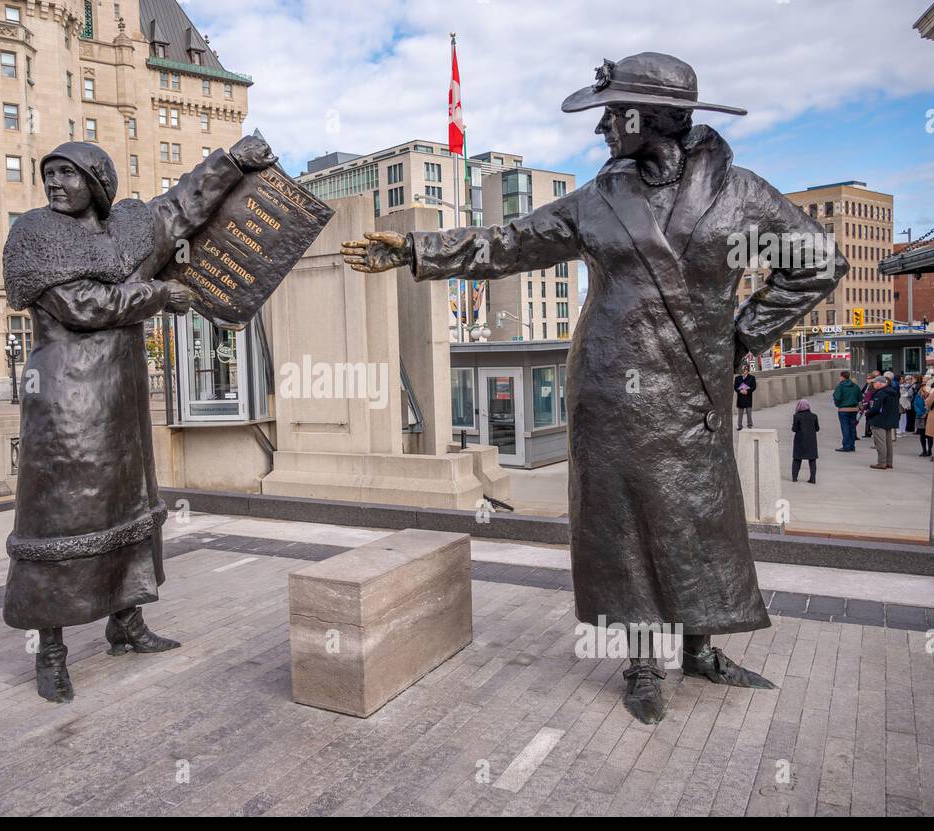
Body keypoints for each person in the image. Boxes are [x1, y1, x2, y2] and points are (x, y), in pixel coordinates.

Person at [342, 53, 848, 725]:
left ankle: (699, 649)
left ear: (652, 117)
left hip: (693, 389)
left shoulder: (744, 196)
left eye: (613, 113)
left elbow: (819, 262)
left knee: (700, 516)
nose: (603, 126)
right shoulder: (599, 201)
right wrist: (414, 252)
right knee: (623, 521)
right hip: (610, 388)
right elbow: (509, 242)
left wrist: (741, 336)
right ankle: (642, 663)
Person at [1, 135, 276, 703]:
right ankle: (50, 648)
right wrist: (159, 296)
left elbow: (181, 205)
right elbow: (81, 307)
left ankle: (125, 623)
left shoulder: (128, 228)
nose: (54, 184)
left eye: (67, 175)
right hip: (66, 401)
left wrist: (233, 160)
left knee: (127, 504)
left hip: (120, 397)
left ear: (97, 182)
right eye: (48, 174)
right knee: (57, 519)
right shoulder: (35, 235)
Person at [866, 374, 900, 470]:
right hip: (889, 420)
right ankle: (889, 462)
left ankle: (882, 463)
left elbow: (876, 408)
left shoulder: (881, 393)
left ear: (880, 383)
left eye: (875, 382)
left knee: (880, 443)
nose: (873, 384)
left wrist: (867, 413)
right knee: (888, 443)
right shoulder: (893, 392)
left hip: (879, 420)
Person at [791, 399, 820, 483]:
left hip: (799, 440)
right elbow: (817, 429)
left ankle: (794, 477)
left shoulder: (796, 416)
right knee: (812, 459)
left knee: (797, 458)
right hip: (811, 441)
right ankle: (813, 478)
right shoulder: (814, 416)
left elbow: (794, 429)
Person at [832, 370, 861, 452]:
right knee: (852, 427)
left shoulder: (840, 386)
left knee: (845, 427)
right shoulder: (855, 386)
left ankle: (846, 445)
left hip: (843, 409)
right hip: (854, 409)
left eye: (840, 376)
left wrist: (838, 404)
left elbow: (837, 397)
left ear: (842, 377)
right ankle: (852, 445)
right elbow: (860, 398)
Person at [734, 365, 756, 429]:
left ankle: (750, 425)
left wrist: (747, 391)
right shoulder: (737, 378)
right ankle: (740, 426)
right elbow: (735, 387)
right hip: (740, 398)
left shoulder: (752, 378)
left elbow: (754, 387)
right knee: (740, 414)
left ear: (747, 371)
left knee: (749, 413)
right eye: (742, 370)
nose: (743, 372)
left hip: (748, 397)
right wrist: (740, 391)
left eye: (745, 370)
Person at [914, 385, 931, 456]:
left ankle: (930, 451)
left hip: (929, 417)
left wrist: (926, 413)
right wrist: (921, 413)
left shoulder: (932, 396)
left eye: (927, 391)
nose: (925, 392)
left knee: (930, 435)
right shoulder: (918, 396)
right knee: (922, 435)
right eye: (924, 391)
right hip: (920, 417)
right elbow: (915, 405)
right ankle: (924, 450)